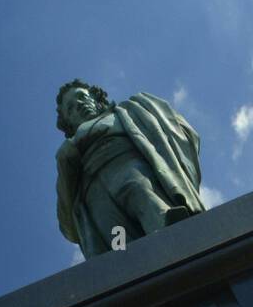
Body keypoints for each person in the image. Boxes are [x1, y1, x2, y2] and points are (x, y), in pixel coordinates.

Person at [55, 80, 206, 258]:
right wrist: (65, 164)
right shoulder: (68, 155)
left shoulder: (126, 112)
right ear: (68, 122)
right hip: (96, 197)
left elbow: (181, 133)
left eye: (82, 97)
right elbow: (69, 227)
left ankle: (184, 253)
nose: (79, 104)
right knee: (121, 247)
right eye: (70, 108)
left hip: (131, 169)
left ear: (96, 98)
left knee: (152, 208)